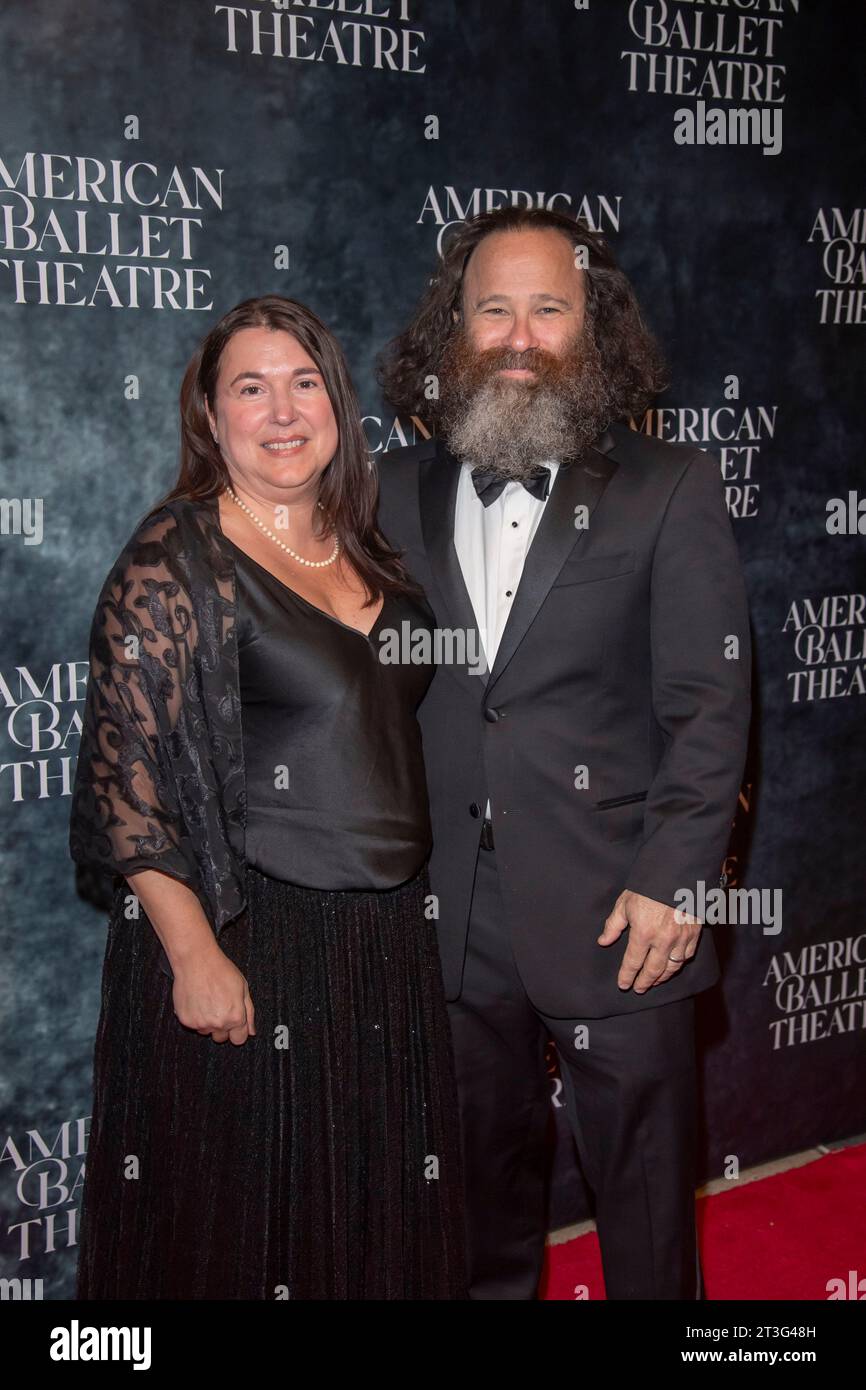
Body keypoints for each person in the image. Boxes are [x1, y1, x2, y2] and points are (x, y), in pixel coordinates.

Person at [375, 206, 752, 1300]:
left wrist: (675, 879)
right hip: (443, 922)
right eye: (493, 307)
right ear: (456, 328)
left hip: (618, 913)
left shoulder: (665, 485)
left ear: (593, 328)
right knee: (471, 1214)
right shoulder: (392, 491)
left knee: (641, 1216)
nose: (519, 334)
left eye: (549, 306)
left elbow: (708, 702)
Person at [69, 294, 467, 1300]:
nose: (282, 410)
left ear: (336, 406)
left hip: (379, 945)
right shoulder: (177, 553)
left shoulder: (363, 543)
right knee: (249, 1229)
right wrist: (194, 952)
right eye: (251, 387)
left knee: (368, 1221)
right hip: (253, 934)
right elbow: (128, 776)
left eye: (303, 383)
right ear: (210, 415)